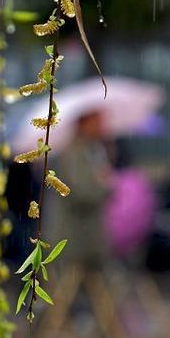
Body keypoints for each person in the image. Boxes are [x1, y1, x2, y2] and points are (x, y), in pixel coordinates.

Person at [50, 110, 113, 268]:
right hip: (75, 233)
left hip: (85, 232)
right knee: (71, 280)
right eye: (96, 121)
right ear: (84, 123)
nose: (101, 126)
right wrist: (105, 186)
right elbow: (81, 191)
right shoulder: (74, 153)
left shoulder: (94, 150)